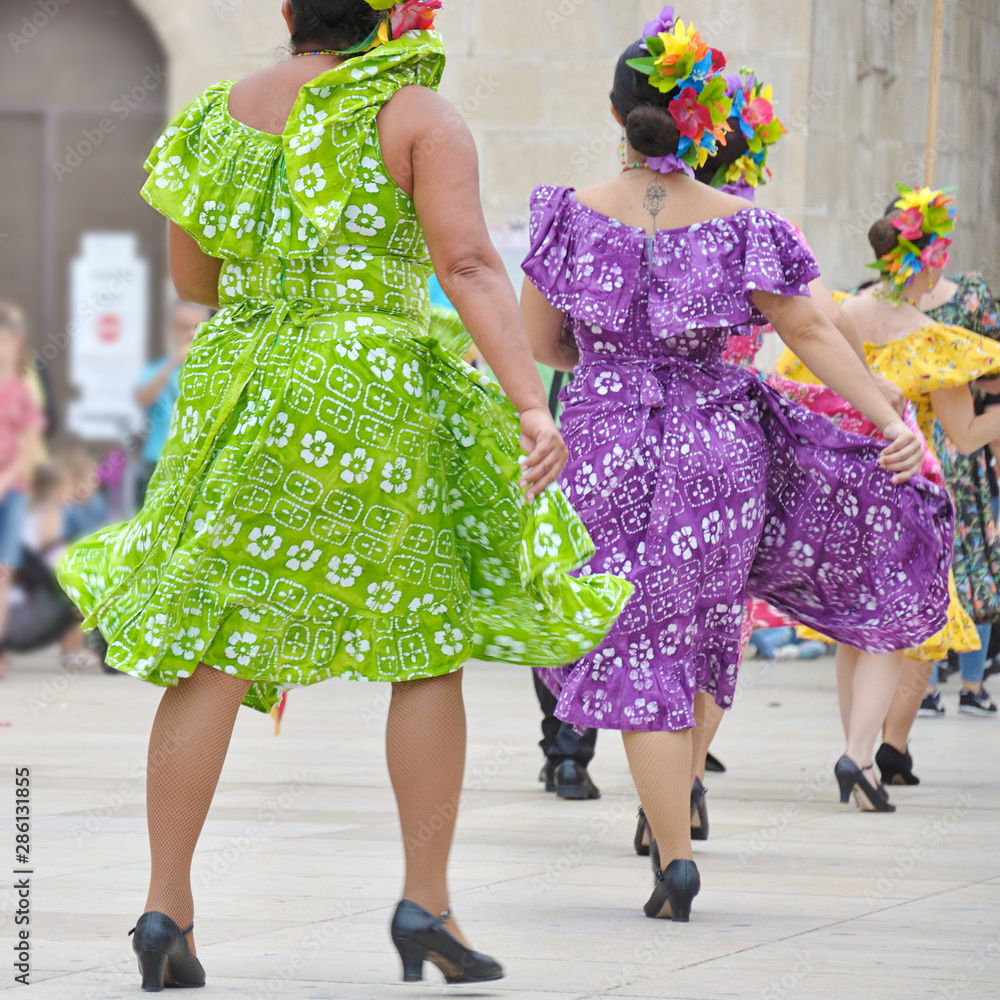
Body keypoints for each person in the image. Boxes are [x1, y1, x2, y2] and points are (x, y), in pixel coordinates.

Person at [57, 1, 632, 990]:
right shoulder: (415, 113)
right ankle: (426, 903)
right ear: (394, 15)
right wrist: (531, 405)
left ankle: (164, 909)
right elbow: (464, 262)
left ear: (291, 12)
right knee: (425, 634)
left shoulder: (213, 114)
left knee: (215, 641)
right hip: (378, 388)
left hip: (248, 383)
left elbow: (194, 276)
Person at [522, 9, 952, 922]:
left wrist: (610, 361)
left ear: (616, 112)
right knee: (704, 628)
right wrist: (887, 420)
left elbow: (540, 347)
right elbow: (809, 330)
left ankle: (672, 851)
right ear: (703, 117)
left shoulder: (566, 218)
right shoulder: (740, 225)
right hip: (720, 444)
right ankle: (679, 814)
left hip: (606, 441)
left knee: (632, 636)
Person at [778, 192, 1000, 786]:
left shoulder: (838, 317)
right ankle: (874, 753)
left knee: (854, 631)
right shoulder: (929, 338)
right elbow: (966, 433)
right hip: (904, 494)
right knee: (904, 634)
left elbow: (793, 385)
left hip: (840, 497)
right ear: (926, 264)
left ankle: (860, 757)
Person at [0, 302, 45, 681]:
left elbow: (29, 444)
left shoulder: (20, 392)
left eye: (6, 340)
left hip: (11, 492)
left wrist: (7, 479)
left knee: (4, 571)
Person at [134, 301, 211, 503]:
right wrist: (173, 364)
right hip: (158, 462)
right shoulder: (156, 370)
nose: (190, 334)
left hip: (199, 466)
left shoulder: (214, 370)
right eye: (183, 327)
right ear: (171, 330)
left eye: (197, 327)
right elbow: (142, 399)